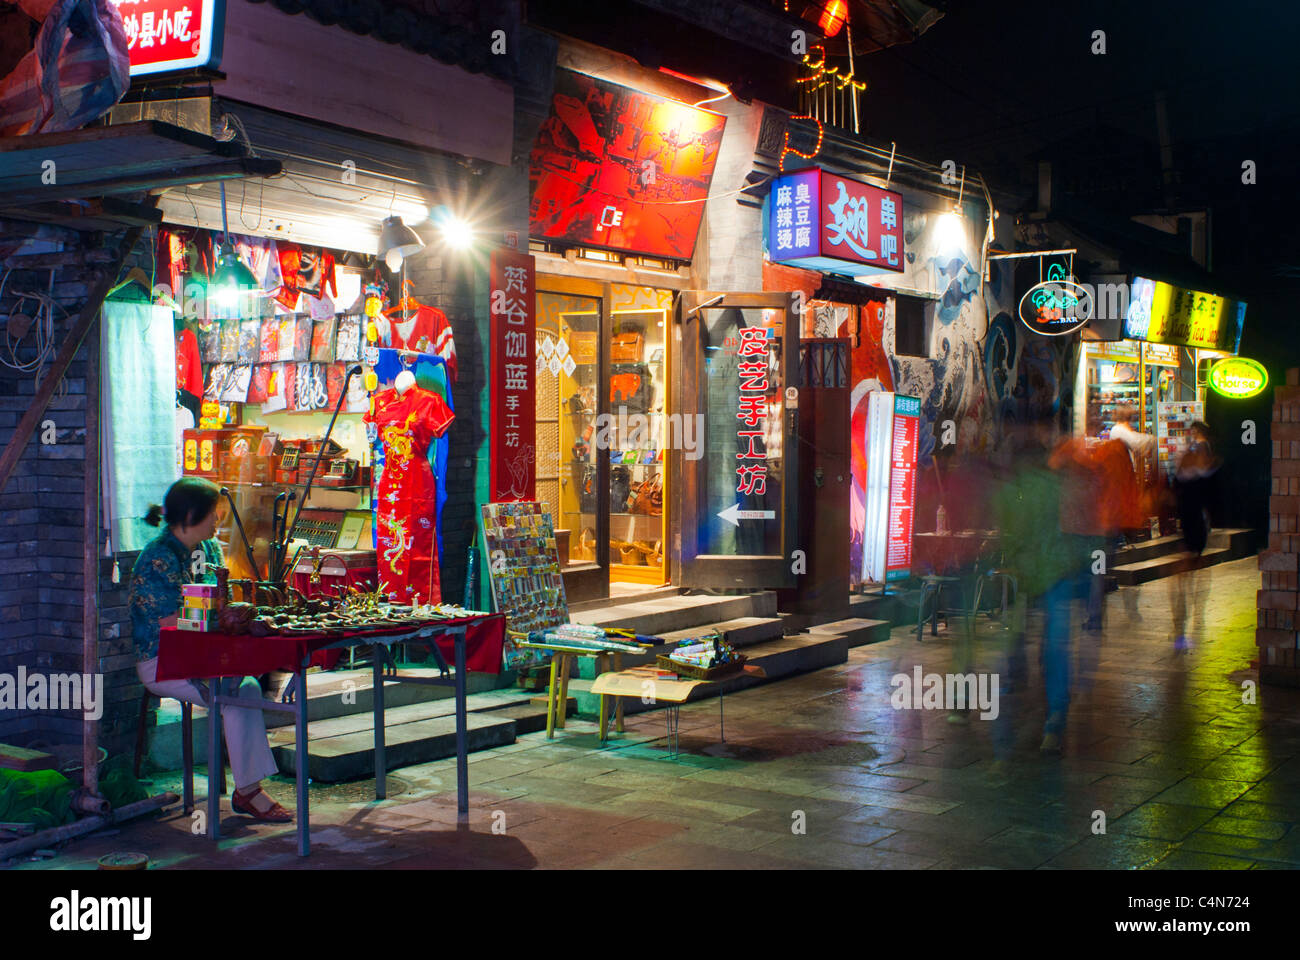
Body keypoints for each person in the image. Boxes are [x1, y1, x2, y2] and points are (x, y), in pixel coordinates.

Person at [128, 477, 292, 822]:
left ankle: (247, 789)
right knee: (237, 689)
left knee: (242, 685)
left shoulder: (209, 550)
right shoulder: (156, 557)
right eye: (213, 514)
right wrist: (218, 616)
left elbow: (222, 599)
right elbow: (166, 620)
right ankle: (250, 792)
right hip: (163, 660)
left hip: (209, 655)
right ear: (191, 514)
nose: (218, 521)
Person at [1168, 421, 1220, 650]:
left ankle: (1183, 596)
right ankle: (1188, 599)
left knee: (1189, 556)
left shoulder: (1187, 467)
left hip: (1189, 516)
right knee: (1192, 555)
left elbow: (1176, 490)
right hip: (1195, 519)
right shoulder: (1204, 468)